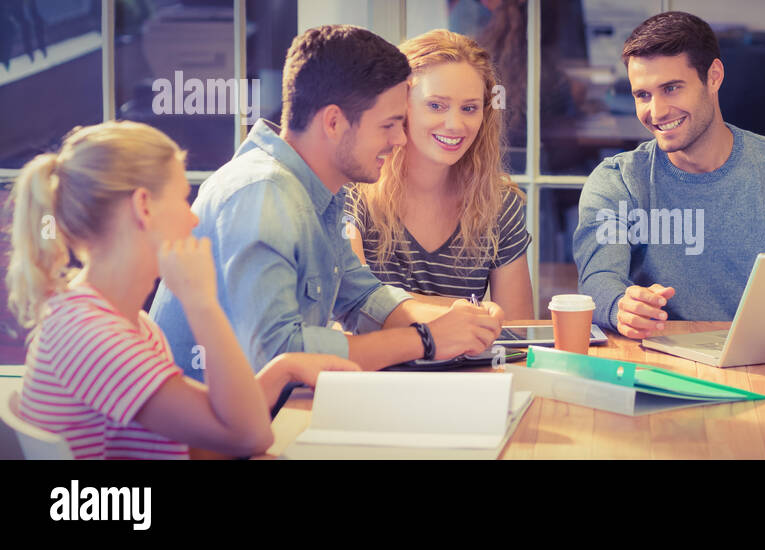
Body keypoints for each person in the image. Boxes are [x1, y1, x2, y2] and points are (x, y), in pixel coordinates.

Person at [149, 25, 504, 379]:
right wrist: (426, 339)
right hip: (211, 432)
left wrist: (460, 323)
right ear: (334, 122)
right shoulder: (262, 195)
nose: (399, 139)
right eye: (388, 125)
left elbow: (362, 299)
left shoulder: (320, 193)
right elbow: (276, 355)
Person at [6, 121, 358, 459]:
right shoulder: (93, 337)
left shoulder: (128, 325)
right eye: (182, 199)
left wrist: (285, 368)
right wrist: (200, 302)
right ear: (143, 206)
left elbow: (209, 437)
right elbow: (249, 434)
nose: (192, 218)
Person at [572, 11, 765, 339]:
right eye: (643, 95)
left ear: (714, 77)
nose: (657, 111)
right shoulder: (617, 180)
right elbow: (598, 279)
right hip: (663, 362)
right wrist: (622, 306)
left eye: (672, 88)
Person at [347, 29, 533, 320]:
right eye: (436, 105)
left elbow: (517, 331)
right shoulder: (352, 191)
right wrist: (469, 312)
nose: (455, 124)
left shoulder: (499, 205)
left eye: (469, 108)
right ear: (399, 105)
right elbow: (352, 306)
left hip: (467, 366)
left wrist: (388, 301)